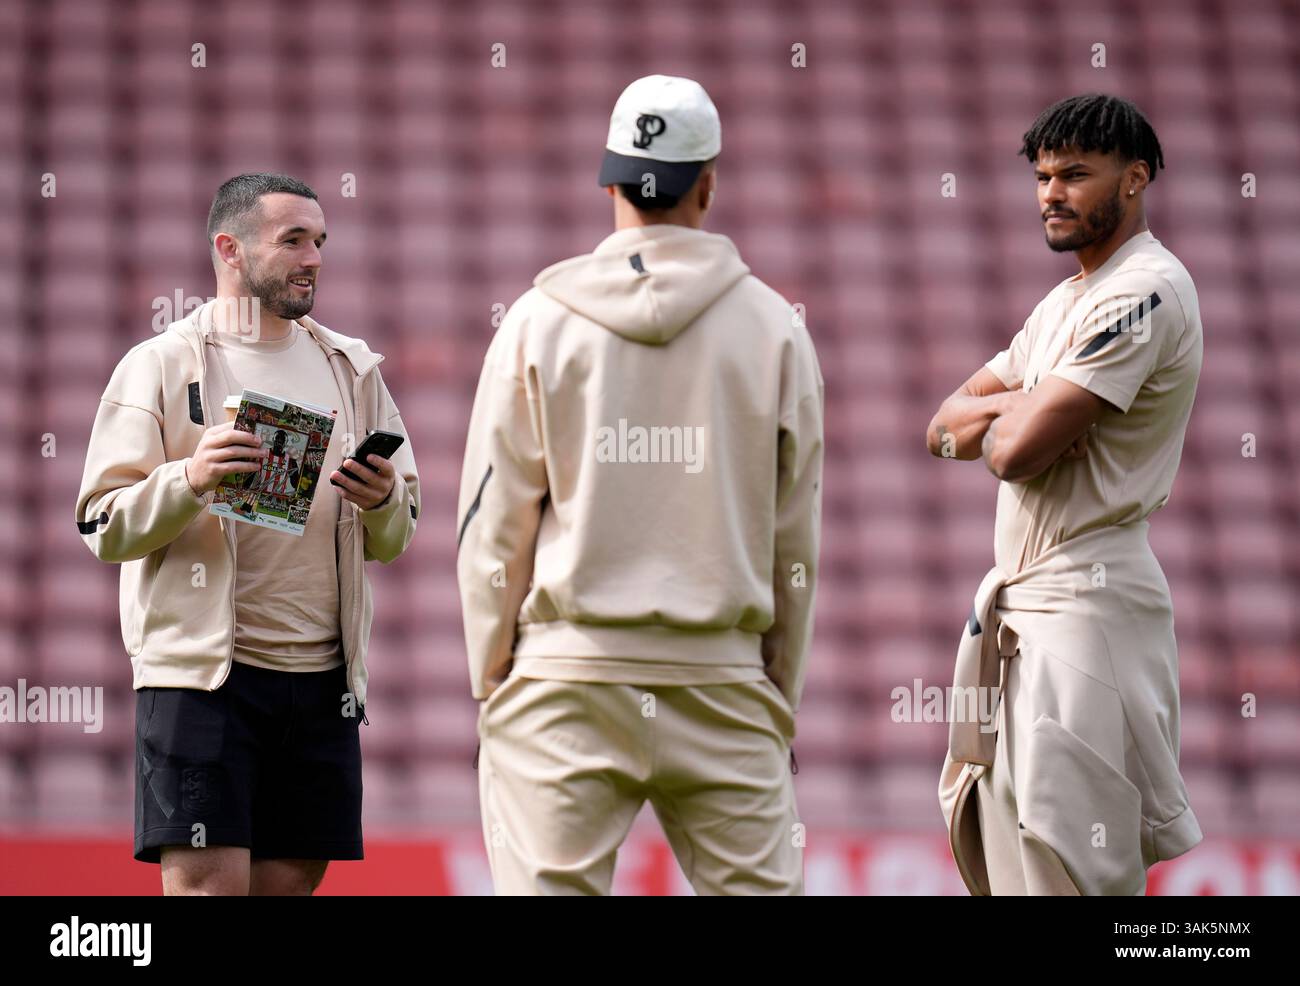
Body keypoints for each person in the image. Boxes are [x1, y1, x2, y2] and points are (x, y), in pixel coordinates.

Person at [456, 75, 824, 895]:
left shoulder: (536, 320)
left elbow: (494, 519)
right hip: (722, 677)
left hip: (564, 679)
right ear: (710, 182)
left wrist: (494, 676)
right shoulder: (774, 328)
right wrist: (775, 685)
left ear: (613, 179)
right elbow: (795, 535)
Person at [75, 173, 420, 895]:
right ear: (229, 249)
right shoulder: (161, 364)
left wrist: (384, 501)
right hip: (204, 682)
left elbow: (395, 536)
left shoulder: (353, 368)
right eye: (293, 239)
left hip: (324, 684)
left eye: (321, 241)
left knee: (288, 888)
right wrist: (190, 481)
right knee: (207, 888)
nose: (314, 257)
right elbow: (101, 522)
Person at [926, 94, 1203, 895]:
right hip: (1024, 609)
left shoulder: (1142, 291)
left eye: (1077, 174)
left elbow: (1006, 454)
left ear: (1136, 179)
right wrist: (1032, 400)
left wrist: (1008, 418)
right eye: (1043, 175)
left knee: (1068, 864)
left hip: (1086, 608)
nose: (1052, 192)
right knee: (1008, 854)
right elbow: (940, 429)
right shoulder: (1064, 304)